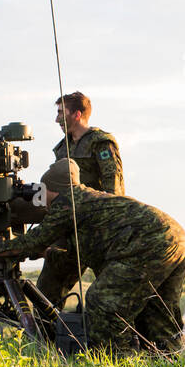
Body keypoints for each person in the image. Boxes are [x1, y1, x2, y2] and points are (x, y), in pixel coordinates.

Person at [0, 159, 185, 354]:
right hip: (176, 238)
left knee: (102, 303)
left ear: (50, 188)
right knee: (157, 312)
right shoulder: (86, 200)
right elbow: (75, 253)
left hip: (149, 242)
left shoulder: (66, 202)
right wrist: (45, 252)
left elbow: (35, 239)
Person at [38, 91, 126, 308]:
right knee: (46, 292)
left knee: (108, 294)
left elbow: (112, 187)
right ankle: (49, 340)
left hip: (99, 228)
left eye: (61, 112)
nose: (57, 119)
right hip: (69, 228)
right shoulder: (62, 148)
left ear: (76, 114)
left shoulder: (100, 143)